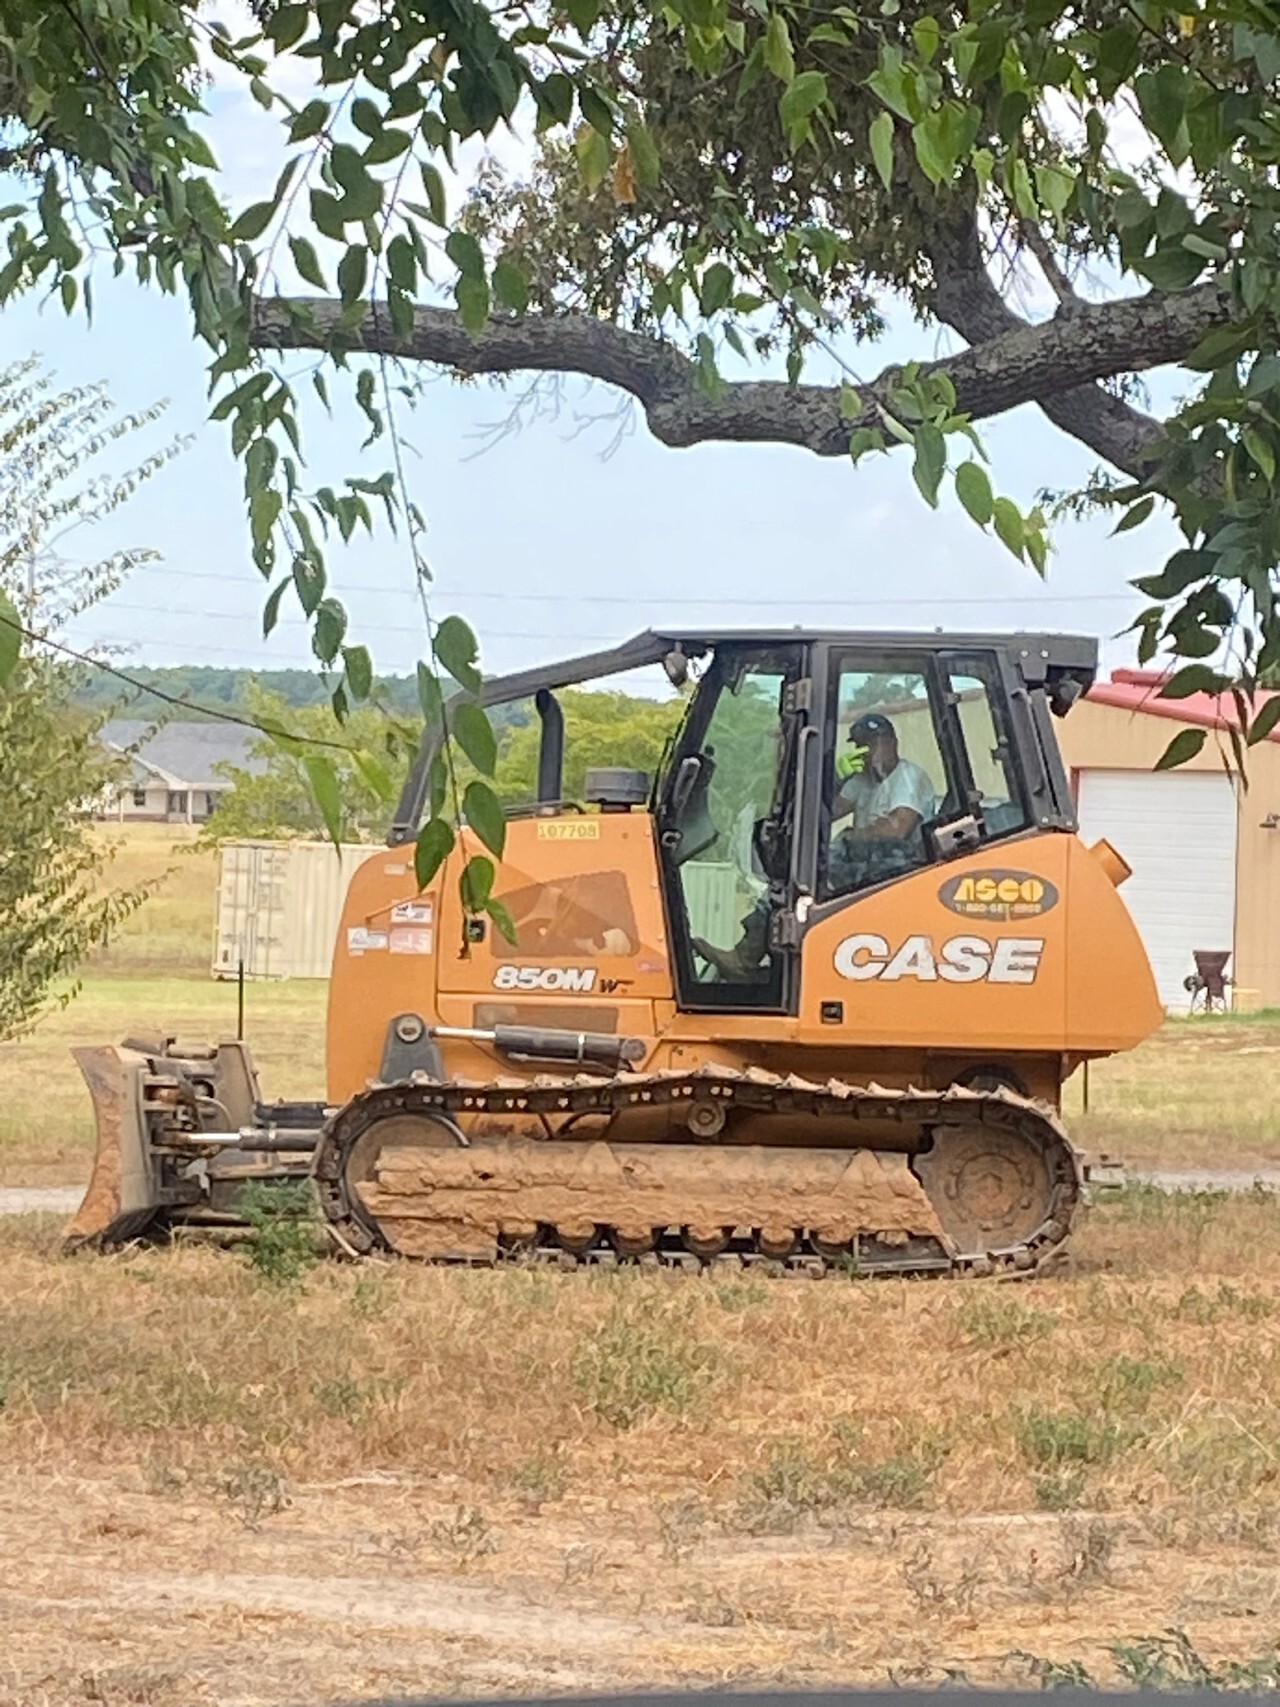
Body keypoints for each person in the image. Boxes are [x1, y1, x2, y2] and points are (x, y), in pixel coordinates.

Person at [828, 712, 936, 892]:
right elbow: (830, 812)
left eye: (871, 744)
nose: (865, 751)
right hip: (868, 868)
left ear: (892, 744)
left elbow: (897, 829)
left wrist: (851, 837)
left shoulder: (910, 777)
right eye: (859, 745)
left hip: (903, 872)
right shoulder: (862, 780)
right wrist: (834, 780)